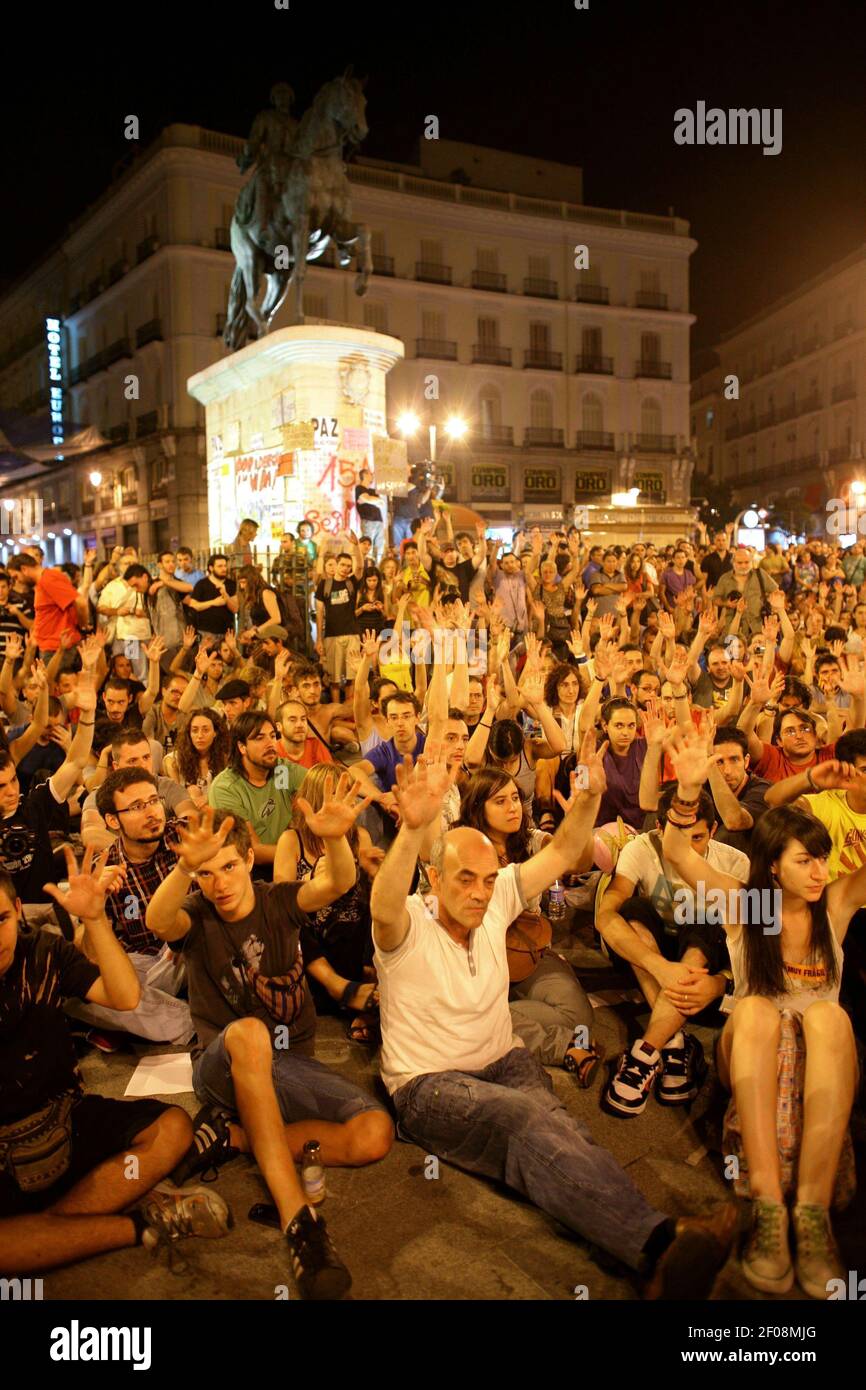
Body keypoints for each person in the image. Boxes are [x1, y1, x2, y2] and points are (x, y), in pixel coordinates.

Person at [369, 745, 737, 1297]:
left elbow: (566, 849)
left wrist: (588, 796)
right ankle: (659, 1245)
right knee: (522, 1121)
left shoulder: (496, 900)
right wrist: (413, 829)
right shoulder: (406, 928)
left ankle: (653, 1236)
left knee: (565, 1134)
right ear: (433, 875)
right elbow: (382, 905)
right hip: (428, 1086)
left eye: (488, 879)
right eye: (464, 879)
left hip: (504, 1060)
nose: (479, 892)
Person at [146, 799, 394, 1300]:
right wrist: (183, 866)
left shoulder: (276, 900)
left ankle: (231, 1138)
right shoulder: (196, 915)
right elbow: (158, 920)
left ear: (247, 863)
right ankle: (300, 1223)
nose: (221, 884)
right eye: (208, 874)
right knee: (250, 1033)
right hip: (221, 1065)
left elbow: (336, 884)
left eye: (230, 867)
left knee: (375, 1132)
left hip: (289, 1064)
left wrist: (335, 838)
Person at [662, 792, 861, 1300]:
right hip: (754, 1052)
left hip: (820, 1059)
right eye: (805, 860)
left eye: (822, 858)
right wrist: (686, 792)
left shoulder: (832, 906)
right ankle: (770, 1210)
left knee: (828, 1017)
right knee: (754, 1009)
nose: (820, 871)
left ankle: (812, 1218)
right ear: (773, 867)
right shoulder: (751, 909)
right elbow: (679, 854)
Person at [0, 855, 231, 1275]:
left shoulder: (44, 950)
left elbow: (125, 997)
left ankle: (46, 1231)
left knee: (173, 1128)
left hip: (62, 1118)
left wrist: (97, 920)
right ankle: (133, 1224)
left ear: (17, 911)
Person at [598, 755, 749, 1117]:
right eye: (676, 837)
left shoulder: (735, 863)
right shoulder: (642, 847)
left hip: (705, 968)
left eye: (697, 838)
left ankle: (649, 1050)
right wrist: (659, 967)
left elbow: (756, 941)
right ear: (660, 830)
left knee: (708, 918)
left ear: (712, 832)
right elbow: (606, 914)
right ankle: (675, 1041)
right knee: (631, 910)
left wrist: (718, 983)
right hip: (656, 957)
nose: (685, 849)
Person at [455, 765, 600, 1083]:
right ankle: (557, 1046)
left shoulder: (532, 841)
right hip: (477, 962)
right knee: (473, 1014)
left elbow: (577, 860)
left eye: (516, 798)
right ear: (478, 808)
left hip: (527, 953)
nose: (513, 808)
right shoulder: (461, 846)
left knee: (580, 1021)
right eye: (500, 801)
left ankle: (496, 1018)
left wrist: (581, 820)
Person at [65, 768, 196, 1045]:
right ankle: (191, 1021)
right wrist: (94, 912)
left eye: (153, 800)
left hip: (198, 951)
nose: (152, 812)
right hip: (146, 965)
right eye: (137, 807)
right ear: (113, 820)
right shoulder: (105, 867)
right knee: (90, 989)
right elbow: (89, 953)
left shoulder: (187, 836)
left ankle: (142, 1024)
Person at [274, 764, 382, 1042]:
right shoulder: (291, 840)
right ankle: (339, 989)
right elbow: (277, 902)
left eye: (345, 794)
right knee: (292, 920)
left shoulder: (360, 837)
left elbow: (371, 900)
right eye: (333, 794)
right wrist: (311, 879)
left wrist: (374, 875)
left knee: (365, 910)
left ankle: (362, 987)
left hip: (349, 940)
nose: (340, 801)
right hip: (310, 950)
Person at [208, 711, 305, 867]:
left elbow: (319, 783)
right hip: (253, 871)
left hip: (288, 859)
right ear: (242, 747)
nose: (270, 744)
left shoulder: (280, 771)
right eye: (260, 738)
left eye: (273, 736)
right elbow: (253, 850)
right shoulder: (226, 788)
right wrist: (302, 852)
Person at [80, 727, 196, 852]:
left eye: (146, 757)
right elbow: (91, 834)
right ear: (116, 766)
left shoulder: (168, 786)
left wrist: (157, 852)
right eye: (133, 760)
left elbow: (193, 820)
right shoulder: (101, 795)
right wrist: (137, 852)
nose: (143, 765)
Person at [315, 550, 363, 702]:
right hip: (332, 634)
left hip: (352, 633)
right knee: (334, 677)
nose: (345, 568)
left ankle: (350, 708)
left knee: (352, 676)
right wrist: (318, 639)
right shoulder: (325, 585)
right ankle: (336, 707)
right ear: (336, 565)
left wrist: (356, 547)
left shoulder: (351, 583)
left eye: (348, 566)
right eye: (342, 564)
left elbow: (360, 567)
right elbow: (319, 612)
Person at [163, 708, 231, 811]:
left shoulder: (226, 759)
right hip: (186, 810)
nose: (200, 736)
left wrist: (207, 798)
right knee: (193, 790)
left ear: (215, 733)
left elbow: (228, 793)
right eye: (194, 730)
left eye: (205, 730)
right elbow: (176, 796)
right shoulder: (173, 761)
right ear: (189, 733)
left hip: (217, 810)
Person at [97, 563, 154, 680]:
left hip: (136, 635)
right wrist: (117, 611)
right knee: (121, 670)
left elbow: (156, 612)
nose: (128, 565)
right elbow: (101, 607)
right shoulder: (113, 585)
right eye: (126, 562)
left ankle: (140, 694)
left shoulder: (147, 585)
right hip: (120, 635)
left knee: (138, 671)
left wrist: (141, 613)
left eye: (131, 562)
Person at [186, 554, 239, 640]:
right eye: (220, 566)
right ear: (211, 568)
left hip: (227, 632)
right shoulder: (201, 584)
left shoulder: (231, 584)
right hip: (206, 632)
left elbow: (235, 609)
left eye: (225, 566)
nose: (224, 569)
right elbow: (193, 605)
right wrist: (214, 602)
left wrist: (225, 595)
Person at [277, 697, 334, 769]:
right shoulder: (273, 753)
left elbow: (331, 776)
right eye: (292, 720)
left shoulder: (315, 746)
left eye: (303, 719)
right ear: (279, 726)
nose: (300, 725)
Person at [354, 467, 386, 559]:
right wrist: (373, 500)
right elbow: (365, 498)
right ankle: (367, 566)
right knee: (367, 547)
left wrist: (373, 500)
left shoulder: (372, 491)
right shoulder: (359, 488)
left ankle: (377, 567)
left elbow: (381, 503)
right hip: (368, 521)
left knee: (379, 547)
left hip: (379, 521)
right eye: (370, 474)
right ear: (364, 475)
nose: (372, 476)